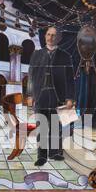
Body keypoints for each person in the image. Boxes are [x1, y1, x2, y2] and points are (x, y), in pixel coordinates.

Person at [27, 26, 72, 167]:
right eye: (48, 34)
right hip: (41, 94)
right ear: (45, 36)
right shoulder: (36, 55)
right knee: (42, 126)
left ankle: (54, 153)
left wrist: (70, 97)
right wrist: (30, 94)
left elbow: (70, 79)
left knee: (56, 125)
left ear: (58, 38)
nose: (50, 37)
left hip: (58, 95)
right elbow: (31, 77)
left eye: (53, 35)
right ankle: (42, 156)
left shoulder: (65, 56)